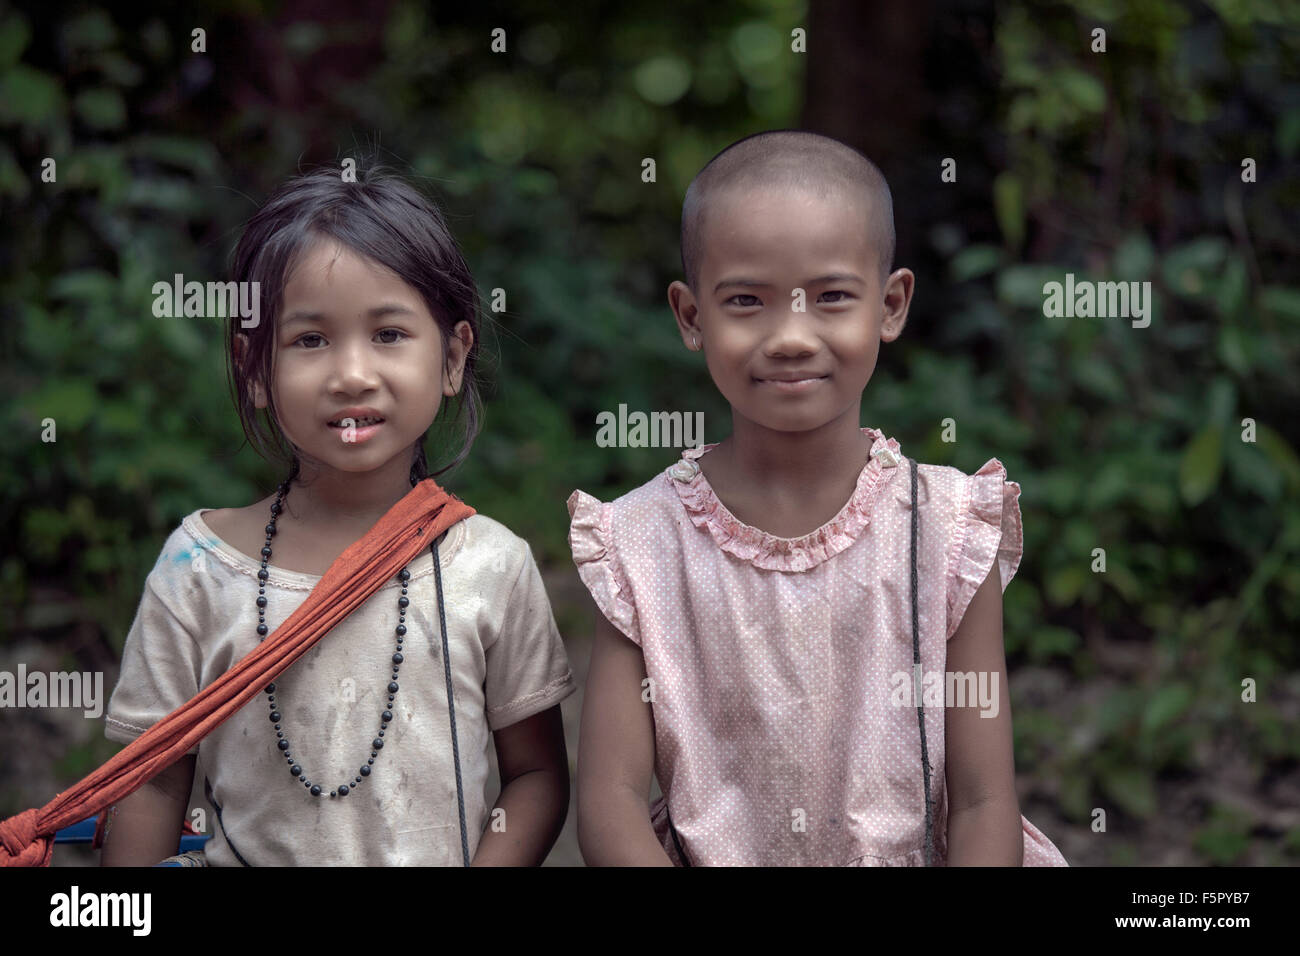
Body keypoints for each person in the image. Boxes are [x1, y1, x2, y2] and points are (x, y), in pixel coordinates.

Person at [570, 130, 1068, 866]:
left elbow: (985, 800)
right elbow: (608, 803)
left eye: (832, 297)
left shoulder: (947, 529)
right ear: (691, 316)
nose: (792, 337)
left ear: (892, 305)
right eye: (746, 301)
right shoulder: (641, 543)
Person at [100, 165, 575, 866]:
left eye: (388, 334)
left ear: (452, 357)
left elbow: (536, 775)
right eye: (310, 341)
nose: (352, 373)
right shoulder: (197, 569)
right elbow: (149, 783)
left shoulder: (490, 565)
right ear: (255, 369)